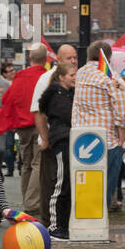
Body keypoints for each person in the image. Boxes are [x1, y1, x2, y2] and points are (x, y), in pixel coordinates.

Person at [71, 42, 125, 209]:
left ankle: (86, 213)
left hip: (82, 138)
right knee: (106, 184)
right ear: (108, 56)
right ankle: (100, 213)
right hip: (107, 139)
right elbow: (121, 106)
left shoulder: (80, 73)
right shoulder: (109, 76)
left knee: (85, 182)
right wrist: (122, 135)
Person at [32, 44, 78, 227]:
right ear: (58, 59)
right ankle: (49, 224)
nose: (74, 61)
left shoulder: (74, 81)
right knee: (52, 185)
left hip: (71, 140)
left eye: (75, 57)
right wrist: (44, 139)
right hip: (54, 141)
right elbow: (39, 112)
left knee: (66, 184)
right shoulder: (46, 79)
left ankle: (62, 223)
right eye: (69, 58)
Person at [0, 44, 48, 212]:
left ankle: (27, 198)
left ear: (30, 58)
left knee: (26, 164)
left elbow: (8, 99)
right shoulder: (46, 76)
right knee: (37, 163)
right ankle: (32, 203)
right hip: (38, 124)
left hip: (22, 126)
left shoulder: (20, 76)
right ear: (46, 59)